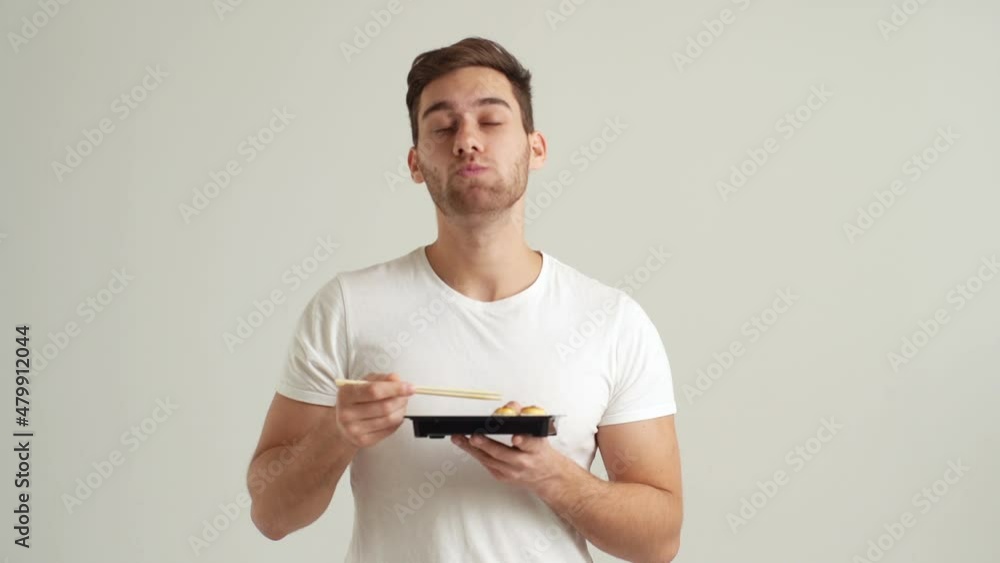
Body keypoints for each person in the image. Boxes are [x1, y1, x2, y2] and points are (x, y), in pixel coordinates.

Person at [247, 36, 683, 563]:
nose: (467, 141)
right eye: (443, 125)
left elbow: (659, 542)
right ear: (415, 161)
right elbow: (271, 515)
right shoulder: (346, 306)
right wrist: (338, 436)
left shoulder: (612, 321)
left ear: (536, 148)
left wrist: (554, 477)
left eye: (491, 121)